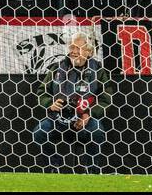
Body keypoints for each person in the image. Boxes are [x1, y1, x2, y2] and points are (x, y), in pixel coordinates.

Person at [31, 34, 109, 170]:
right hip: (58, 119)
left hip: (84, 120)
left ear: (89, 52)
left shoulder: (98, 71)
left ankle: (92, 170)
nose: (73, 51)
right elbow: (41, 92)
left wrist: (89, 114)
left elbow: (105, 99)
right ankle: (53, 165)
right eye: (71, 47)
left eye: (78, 48)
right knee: (39, 133)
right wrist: (50, 104)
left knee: (97, 131)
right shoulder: (57, 69)